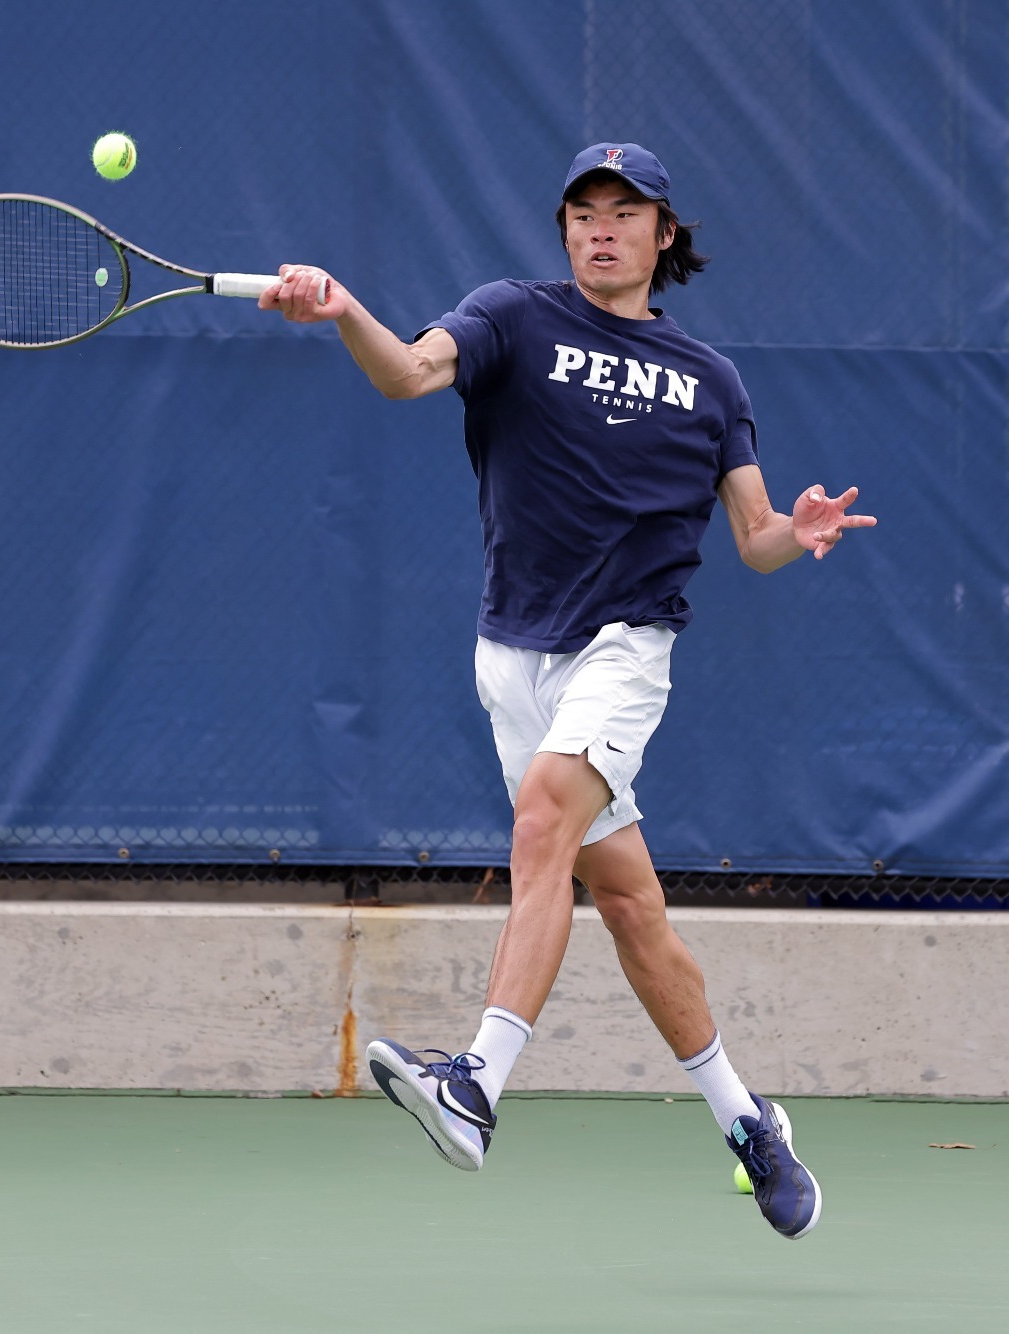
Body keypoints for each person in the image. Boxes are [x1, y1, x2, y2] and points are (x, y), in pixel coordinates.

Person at [257, 143, 874, 1241]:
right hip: (512, 656)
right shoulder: (509, 319)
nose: (601, 228)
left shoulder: (710, 380)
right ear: (564, 232)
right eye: (583, 212)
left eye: (624, 212)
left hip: (625, 647)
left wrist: (797, 530)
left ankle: (477, 1085)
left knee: (542, 816)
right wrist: (346, 307)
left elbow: (754, 538)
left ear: (662, 234)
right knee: (631, 906)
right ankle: (747, 1119)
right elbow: (405, 371)